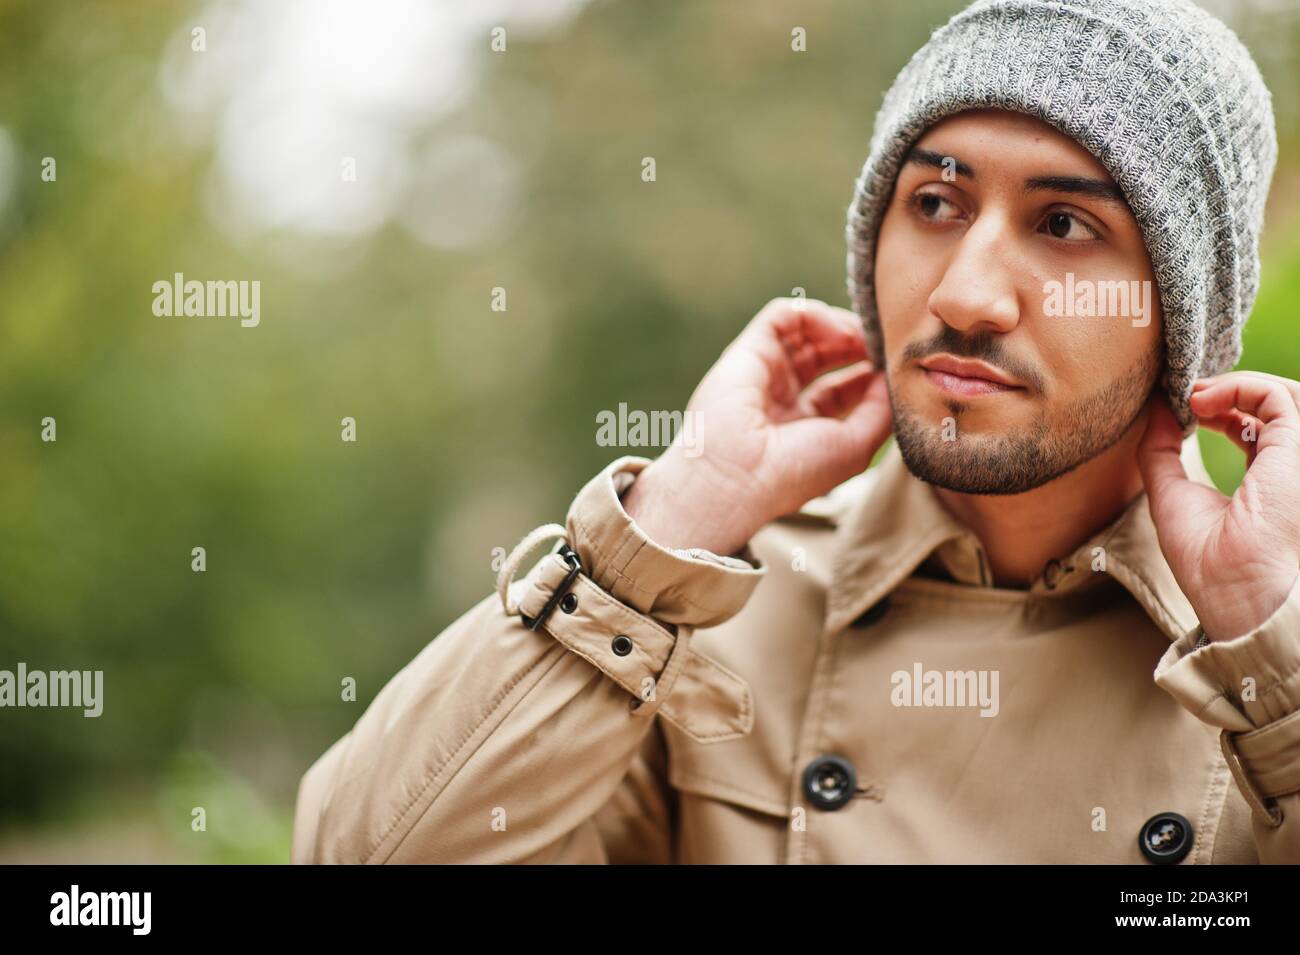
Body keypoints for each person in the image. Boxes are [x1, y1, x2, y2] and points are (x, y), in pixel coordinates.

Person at [292, 0, 1300, 863]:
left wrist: (1276, 656)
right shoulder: (699, 618)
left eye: (1064, 225)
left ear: (1183, 314)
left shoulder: (1259, 660)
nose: (964, 294)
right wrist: (656, 533)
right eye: (936, 203)